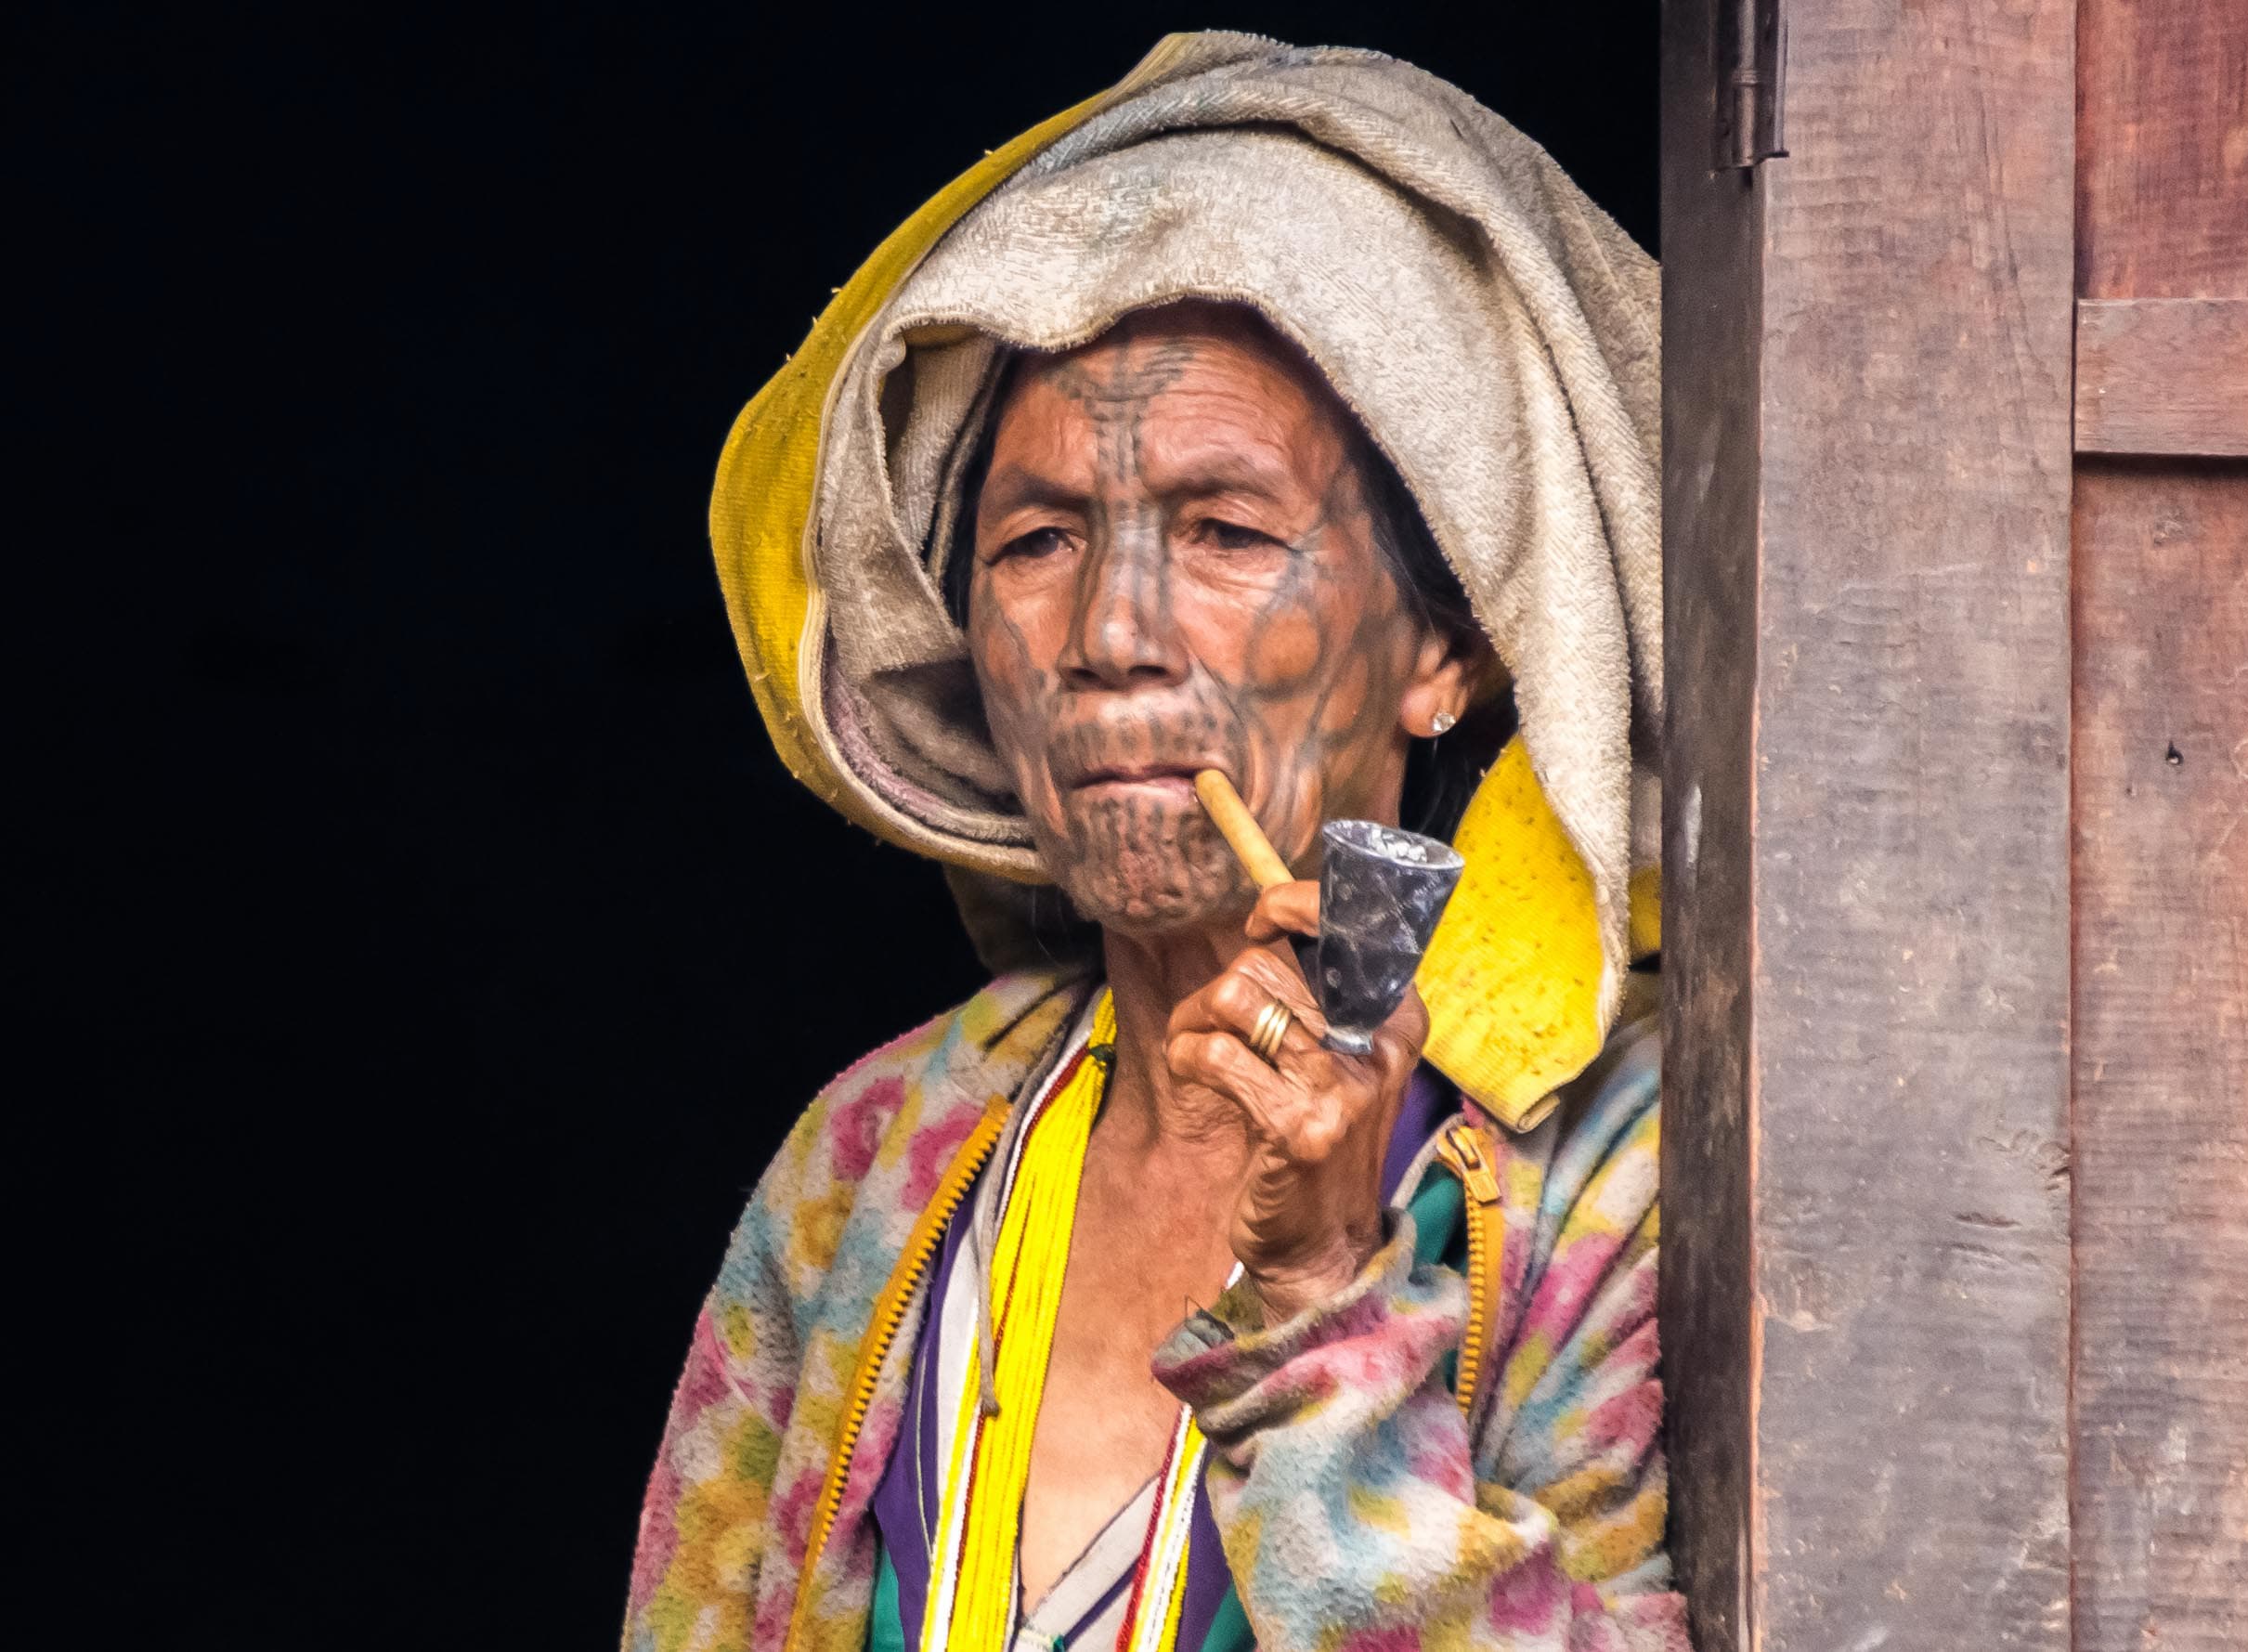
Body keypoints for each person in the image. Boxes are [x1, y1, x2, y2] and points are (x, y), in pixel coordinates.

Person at [625, 33, 1673, 1652]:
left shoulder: (1616, 1176)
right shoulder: (883, 1158)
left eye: (1226, 531)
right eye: (1036, 541)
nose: (1109, 631)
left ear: (1441, 650)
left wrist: (1326, 1296)